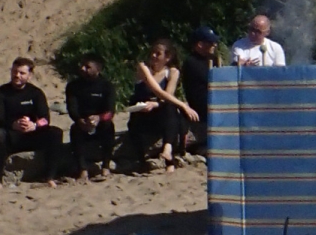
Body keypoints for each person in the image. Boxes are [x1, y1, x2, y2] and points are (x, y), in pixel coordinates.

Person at [0, 57, 58, 186]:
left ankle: (49, 177)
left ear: (30, 75)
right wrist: (14, 124)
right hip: (12, 136)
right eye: (14, 72)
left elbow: (45, 119)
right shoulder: (0, 93)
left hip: (32, 135)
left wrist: (34, 125)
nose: (17, 75)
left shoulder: (36, 93)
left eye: (22, 73)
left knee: (55, 133)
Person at [128, 38, 197, 172]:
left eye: (158, 53)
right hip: (141, 113)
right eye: (152, 52)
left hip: (159, 112)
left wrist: (155, 104)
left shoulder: (172, 72)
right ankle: (163, 158)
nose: (153, 56)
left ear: (168, 57)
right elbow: (158, 91)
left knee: (170, 108)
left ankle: (167, 149)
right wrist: (183, 105)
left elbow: (168, 96)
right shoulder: (143, 68)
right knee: (173, 107)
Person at [65, 53, 117, 181]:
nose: (83, 69)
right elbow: (72, 108)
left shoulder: (106, 86)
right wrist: (80, 120)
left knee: (109, 127)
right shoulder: (73, 86)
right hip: (82, 121)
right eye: (82, 66)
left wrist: (99, 118)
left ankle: (105, 166)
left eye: (87, 67)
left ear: (98, 69)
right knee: (75, 130)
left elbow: (110, 110)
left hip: (100, 122)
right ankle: (82, 169)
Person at [181, 28, 217, 153]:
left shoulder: (212, 60)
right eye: (210, 43)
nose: (214, 45)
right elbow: (211, 80)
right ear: (200, 44)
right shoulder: (192, 62)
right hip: (201, 110)